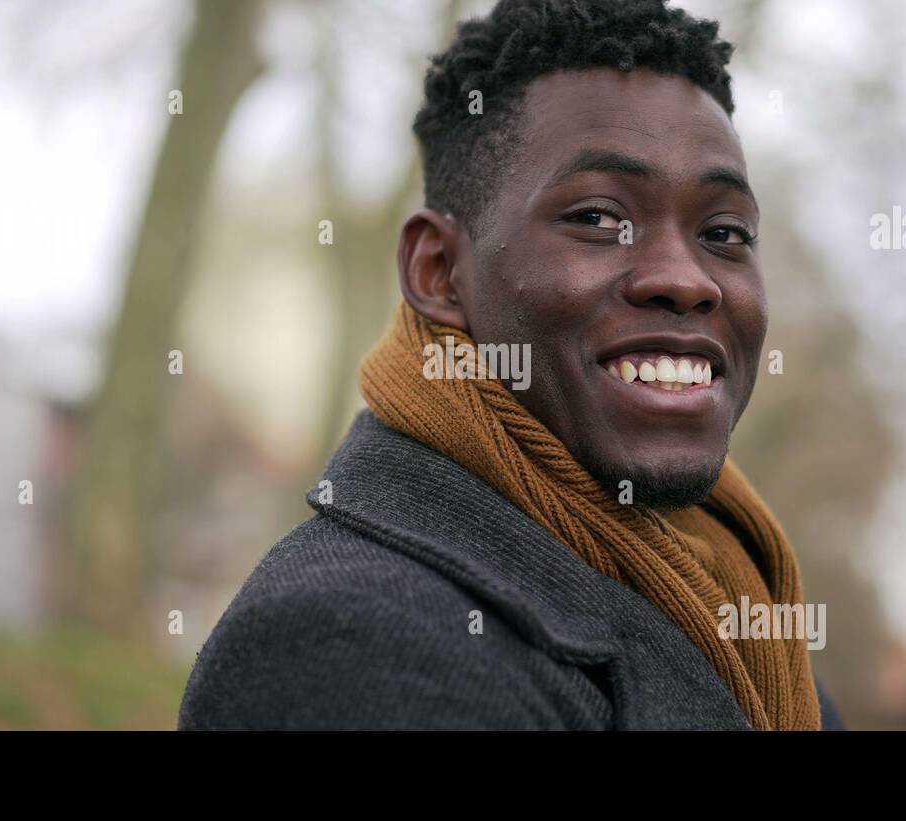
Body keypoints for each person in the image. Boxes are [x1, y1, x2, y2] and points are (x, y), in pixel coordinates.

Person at [179, 0, 844, 730]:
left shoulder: (729, 608)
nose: (688, 280)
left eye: (724, 231)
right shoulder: (354, 647)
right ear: (438, 271)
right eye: (597, 217)